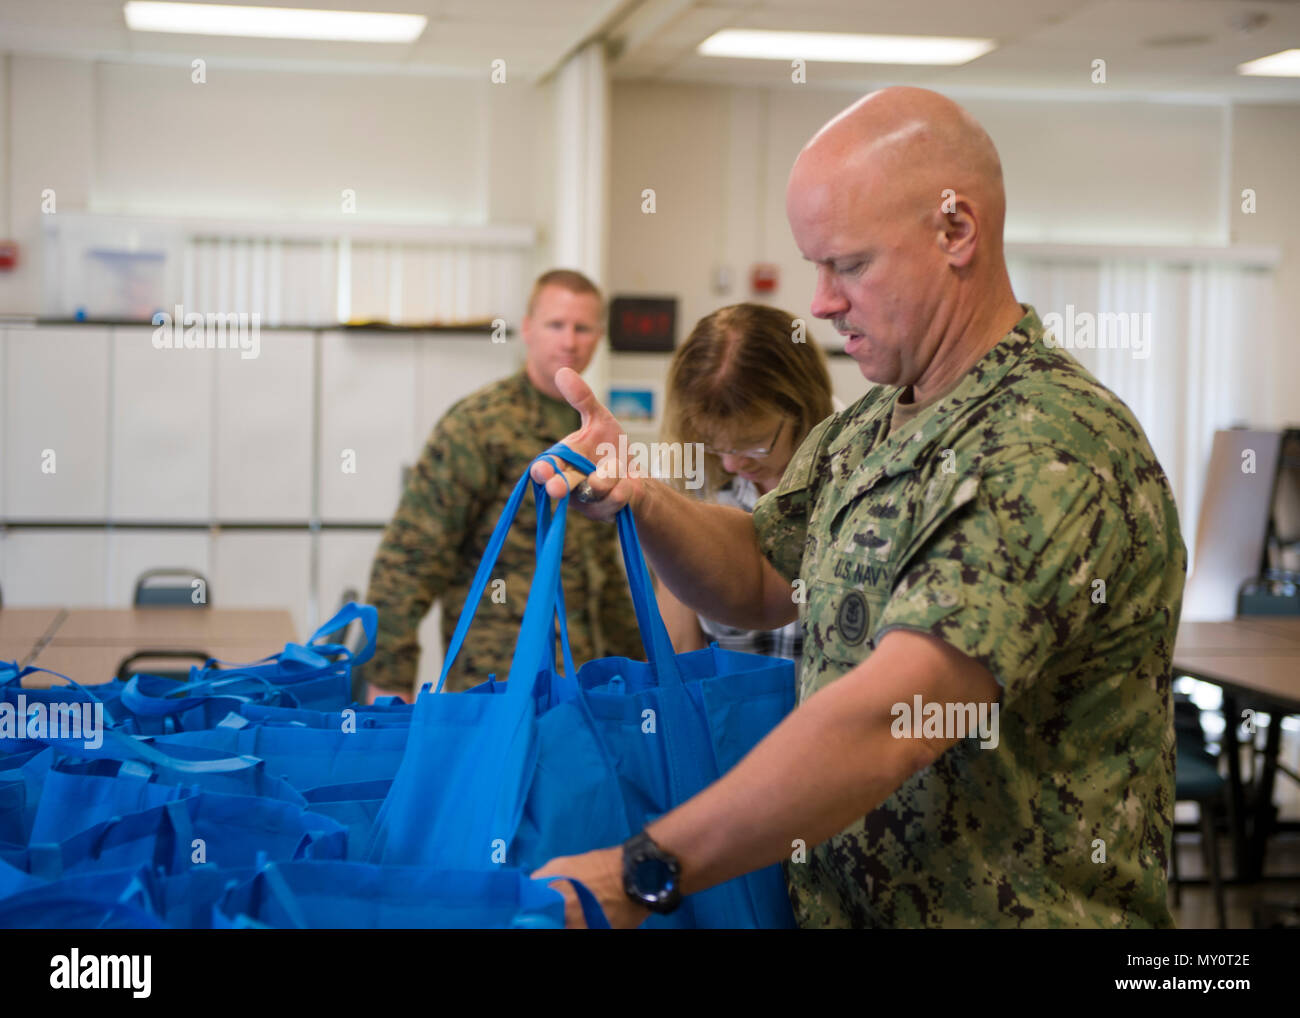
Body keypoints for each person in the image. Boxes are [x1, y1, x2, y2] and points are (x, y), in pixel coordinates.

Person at [530, 86, 1187, 928]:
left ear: (957, 232)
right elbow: (763, 573)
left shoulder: (1047, 446)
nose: (821, 303)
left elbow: (898, 718)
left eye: (849, 265)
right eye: (815, 267)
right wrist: (644, 497)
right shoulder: (874, 425)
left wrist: (643, 872)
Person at [363, 269, 642, 694]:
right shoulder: (479, 425)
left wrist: (641, 668)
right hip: (495, 679)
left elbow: (603, 568)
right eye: (556, 325)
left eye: (582, 328)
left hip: (584, 682)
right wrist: (388, 680)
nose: (569, 341)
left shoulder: (594, 432)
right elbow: (410, 558)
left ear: (599, 336)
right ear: (528, 329)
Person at [654, 304, 835, 675]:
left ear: (802, 406)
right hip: (731, 721)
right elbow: (678, 648)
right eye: (717, 445)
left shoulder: (859, 467)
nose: (734, 464)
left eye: (754, 444)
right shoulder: (693, 476)